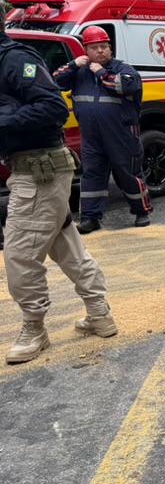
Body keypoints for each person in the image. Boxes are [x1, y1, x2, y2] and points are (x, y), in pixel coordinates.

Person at [1, 19, 116, 364]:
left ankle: (34, 327)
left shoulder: (14, 59)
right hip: (33, 170)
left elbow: (53, 107)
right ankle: (99, 314)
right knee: (66, 246)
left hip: (40, 171)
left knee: (20, 254)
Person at [53, 26, 152, 232]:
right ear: (85, 50)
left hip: (122, 134)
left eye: (104, 46)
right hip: (91, 135)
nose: (100, 51)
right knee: (92, 174)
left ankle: (141, 211)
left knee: (127, 173)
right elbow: (54, 81)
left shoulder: (124, 69)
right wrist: (73, 65)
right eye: (94, 47)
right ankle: (90, 218)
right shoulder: (79, 71)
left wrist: (101, 72)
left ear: (110, 48)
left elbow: (125, 86)